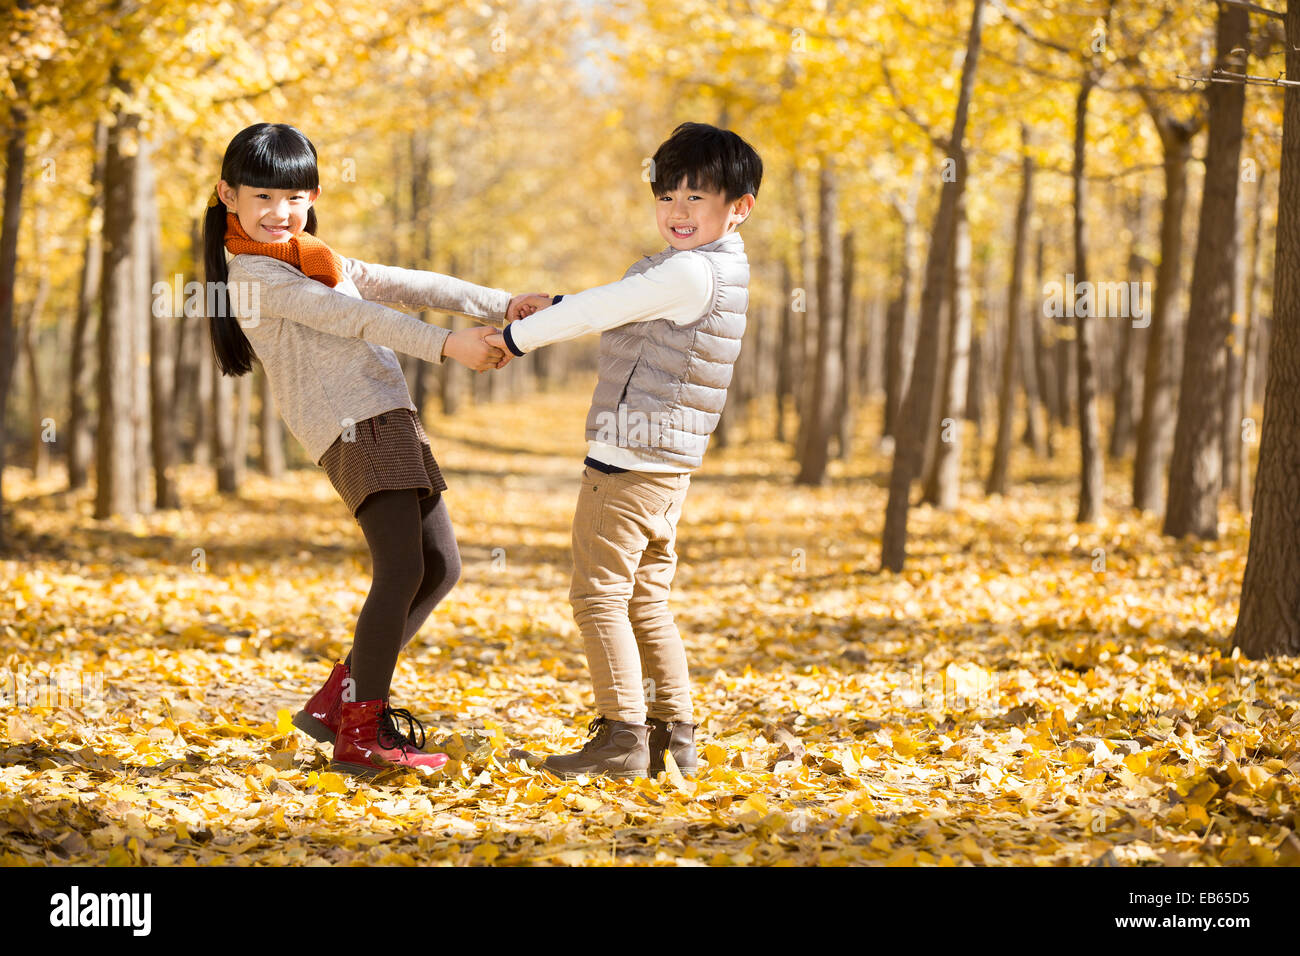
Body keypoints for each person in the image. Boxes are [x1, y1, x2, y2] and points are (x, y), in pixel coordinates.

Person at [205, 122, 532, 777]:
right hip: (353, 424)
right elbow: (358, 318)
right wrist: (451, 345)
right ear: (227, 195)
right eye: (263, 197)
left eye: (295, 198)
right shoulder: (254, 275)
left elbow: (406, 285)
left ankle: (336, 705)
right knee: (400, 570)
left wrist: (503, 303)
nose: (280, 212)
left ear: (314, 196)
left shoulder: (311, 257)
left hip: (388, 415)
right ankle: (360, 732)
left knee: (440, 566)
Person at [489, 122, 762, 779]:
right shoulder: (708, 271)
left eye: (696, 198)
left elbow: (604, 309)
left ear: (738, 206)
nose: (677, 212)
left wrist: (514, 338)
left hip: (631, 461)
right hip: (665, 464)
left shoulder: (693, 271)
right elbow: (621, 307)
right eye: (666, 197)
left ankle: (622, 738)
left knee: (598, 597)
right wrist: (552, 304)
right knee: (644, 600)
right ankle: (675, 736)